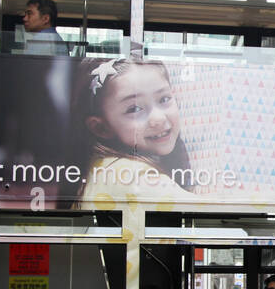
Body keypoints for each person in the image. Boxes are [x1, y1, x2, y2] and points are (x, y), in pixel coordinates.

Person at [74, 57, 198, 205]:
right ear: (101, 127)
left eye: (164, 99)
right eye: (134, 109)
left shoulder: (107, 164)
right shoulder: (131, 177)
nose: (158, 118)